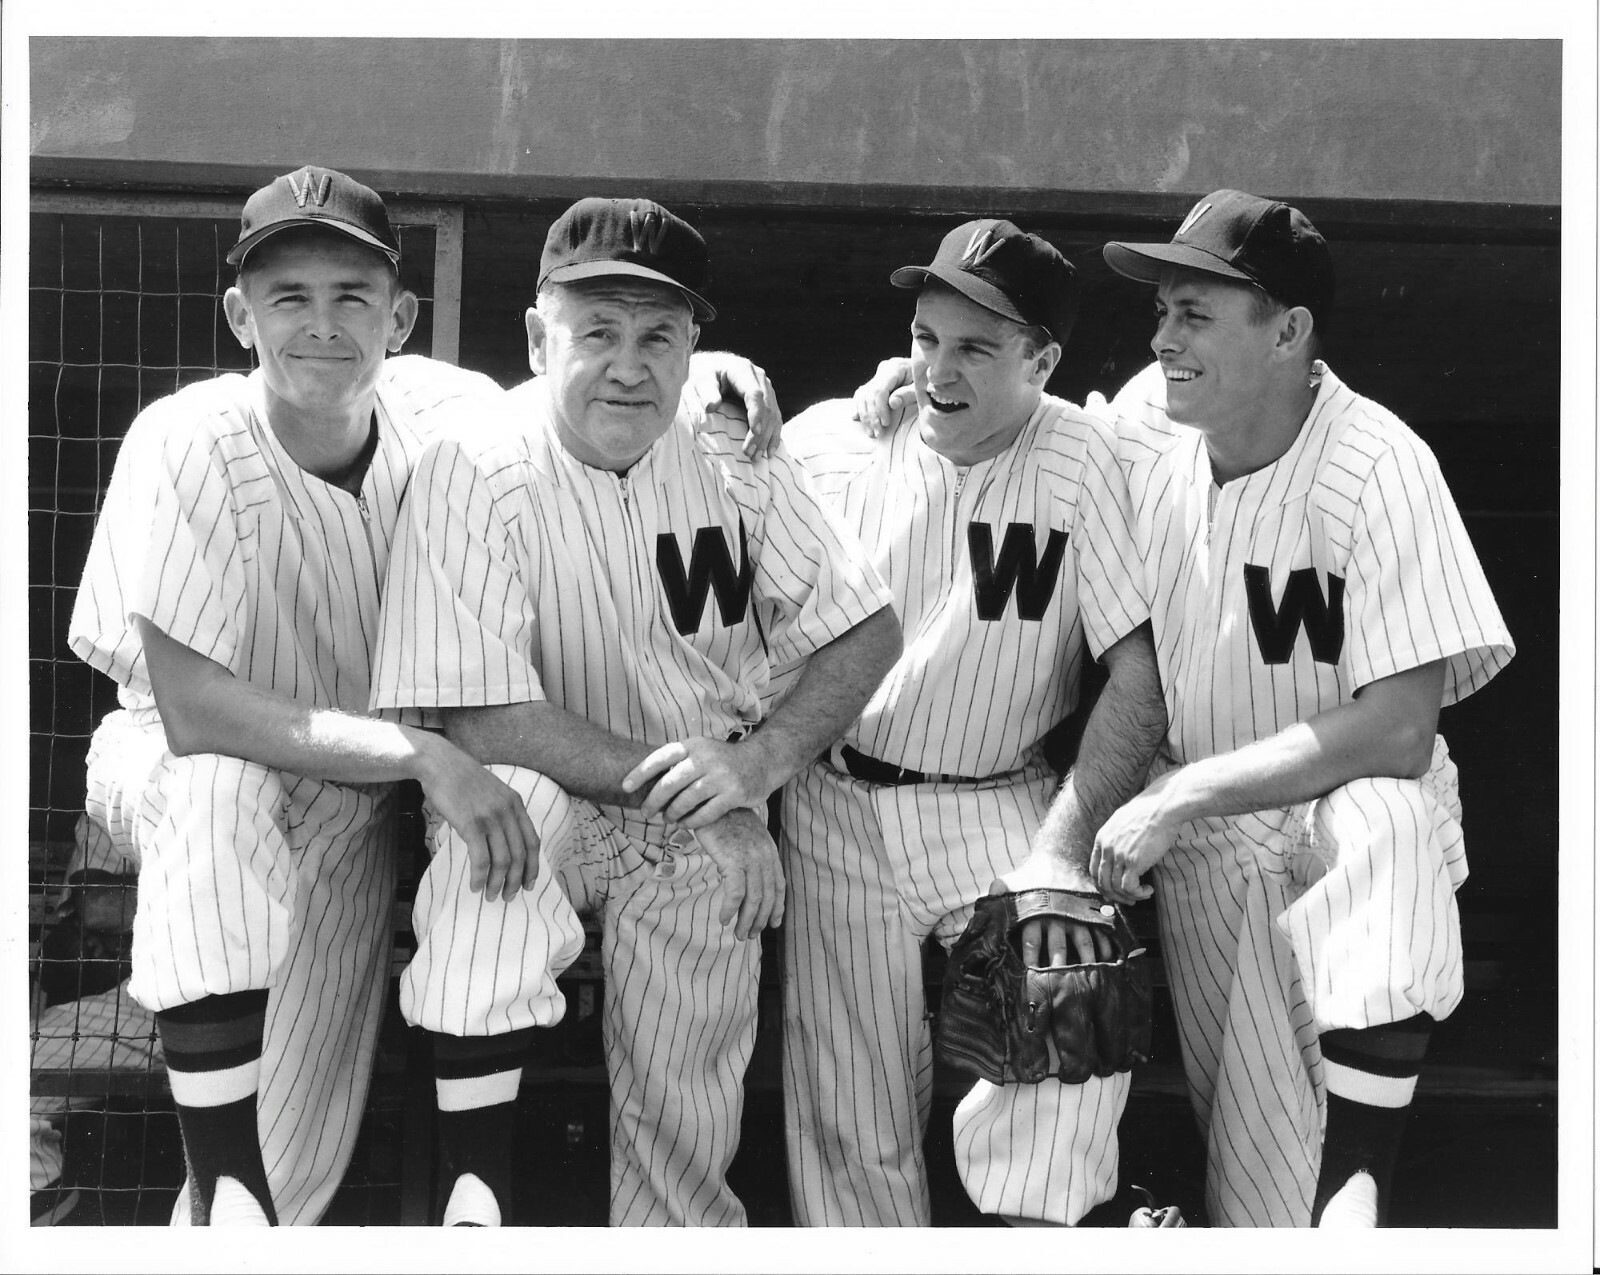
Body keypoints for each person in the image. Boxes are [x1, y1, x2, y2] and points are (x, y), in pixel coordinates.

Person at [65, 166, 783, 1226]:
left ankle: (459, 1202)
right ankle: (222, 1191)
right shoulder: (186, 439)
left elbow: (581, 378)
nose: (322, 324)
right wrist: (419, 756)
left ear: (398, 315)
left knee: (299, 1156)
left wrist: (710, 367)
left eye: (351, 296)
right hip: (181, 759)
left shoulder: (446, 414)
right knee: (217, 790)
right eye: (289, 297)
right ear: (241, 316)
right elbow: (193, 710)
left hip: (342, 793)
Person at [368, 195, 902, 1227]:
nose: (629, 363)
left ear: (695, 343)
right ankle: (466, 1201)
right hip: (552, 791)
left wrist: (760, 767)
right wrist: (714, 794)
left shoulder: (732, 449)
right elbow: (479, 718)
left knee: (686, 1104)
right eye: (597, 332)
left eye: (659, 335)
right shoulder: (474, 464)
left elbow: (866, 628)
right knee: (502, 825)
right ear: (537, 338)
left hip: (698, 816)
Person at [1086, 188, 1515, 1226]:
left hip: (1323, 824)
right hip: (1203, 850)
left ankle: (1362, 1163)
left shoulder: (1378, 463)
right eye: (1160, 313)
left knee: (1386, 813)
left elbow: (1400, 728)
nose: (1162, 337)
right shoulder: (1150, 414)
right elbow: (1014, 420)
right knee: (1266, 1205)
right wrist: (892, 385)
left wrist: (1177, 793)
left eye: (1194, 313)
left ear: (1288, 332)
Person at [776, 218, 1169, 1227]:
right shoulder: (836, 441)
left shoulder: (1087, 457)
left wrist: (1063, 847)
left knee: (1070, 980)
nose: (938, 371)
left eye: (976, 348)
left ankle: (1033, 1237)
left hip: (999, 797)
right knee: (849, 1118)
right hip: (839, 797)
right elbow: (698, 429)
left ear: (1042, 359)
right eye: (924, 339)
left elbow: (1137, 671)